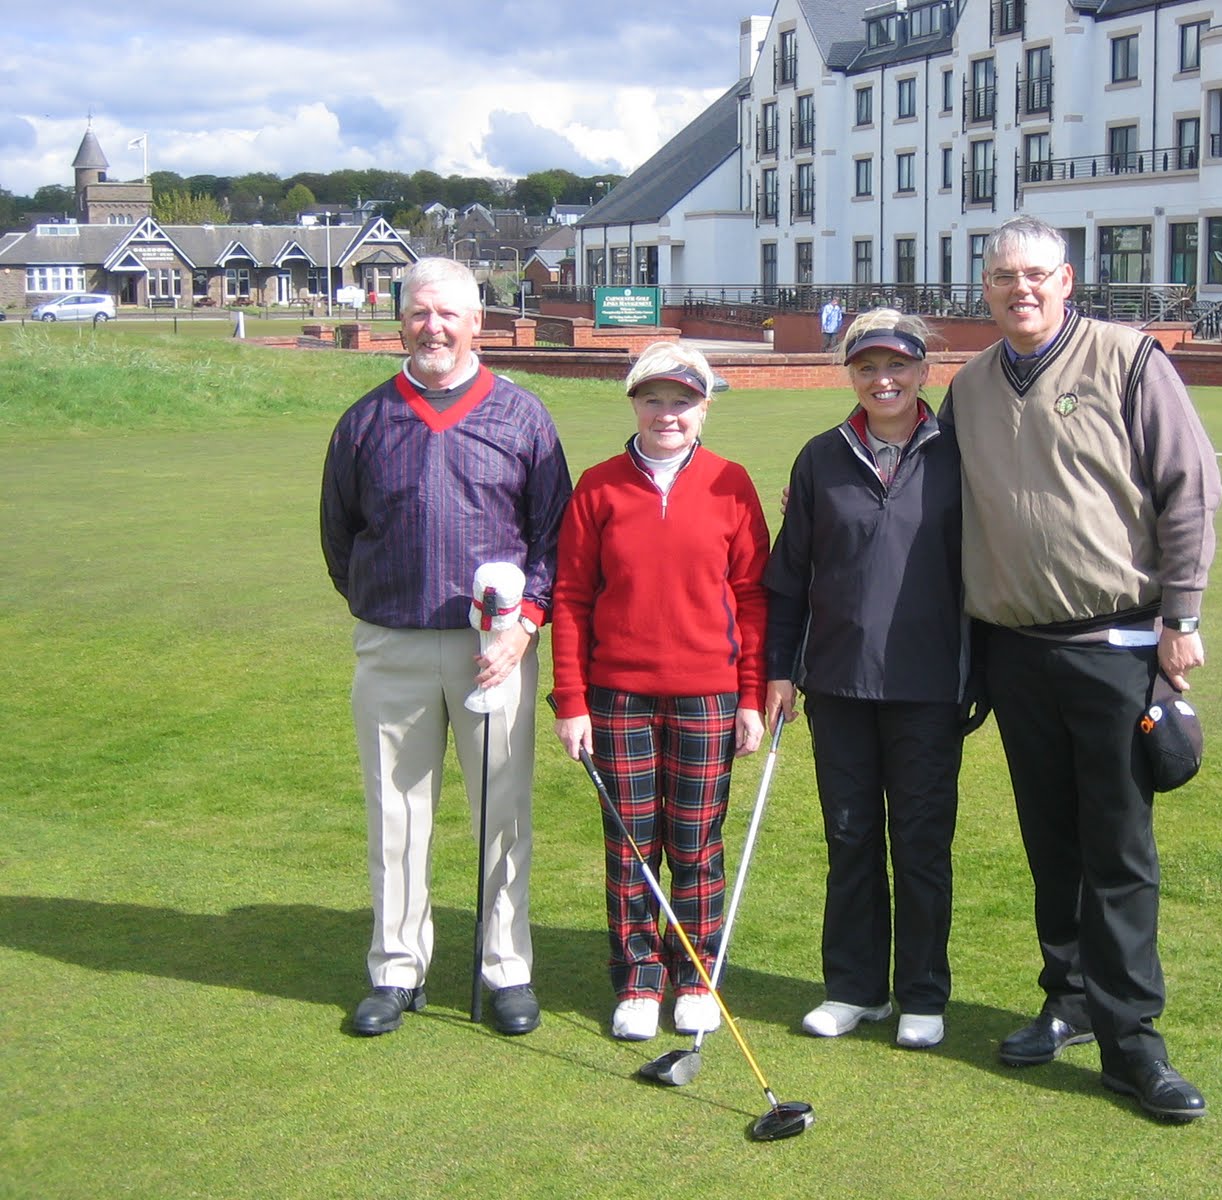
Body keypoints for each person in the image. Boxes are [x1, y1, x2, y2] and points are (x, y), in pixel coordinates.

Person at [942, 215, 1221, 1121]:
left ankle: (1133, 1041)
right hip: (1015, 652)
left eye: (1034, 274)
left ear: (1067, 280)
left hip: (1118, 646)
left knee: (1119, 849)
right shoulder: (972, 384)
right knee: (1049, 842)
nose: (1017, 289)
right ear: (984, 289)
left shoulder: (1129, 358)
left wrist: (1182, 616)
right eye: (1000, 277)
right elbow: (932, 499)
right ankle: (1067, 1000)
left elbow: (1189, 488)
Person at [320, 256, 573, 1037]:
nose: (435, 326)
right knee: (395, 816)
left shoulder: (523, 417)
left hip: (493, 650)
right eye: (420, 312)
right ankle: (397, 969)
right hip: (392, 645)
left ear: (478, 322)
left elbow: (554, 539)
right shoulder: (364, 421)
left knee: (503, 815)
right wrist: (384, 612)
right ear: (402, 320)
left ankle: (506, 969)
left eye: (450, 314)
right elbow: (340, 540)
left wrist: (524, 625)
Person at [551, 341, 770, 1042]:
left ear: (705, 409)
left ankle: (696, 976)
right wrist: (572, 700)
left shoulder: (732, 484)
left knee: (696, 841)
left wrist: (749, 698)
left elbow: (752, 598)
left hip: (708, 694)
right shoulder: (599, 486)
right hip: (618, 696)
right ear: (633, 403)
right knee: (631, 845)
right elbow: (571, 598)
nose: (667, 413)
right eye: (654, 399)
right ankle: (641, 980)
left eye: (682, 401)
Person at [764, 310, 966, 1051]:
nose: (884, 380)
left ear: (923, 372)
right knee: (849, 840)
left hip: (929, 685)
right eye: (867, 367)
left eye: (898, 366)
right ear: (849, 373)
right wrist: (780, 669)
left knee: (919, 843)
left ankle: (921, 992)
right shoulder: (821, 458)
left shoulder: (959, 453)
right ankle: (854, 989)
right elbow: (790, 579)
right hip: (838, 683)